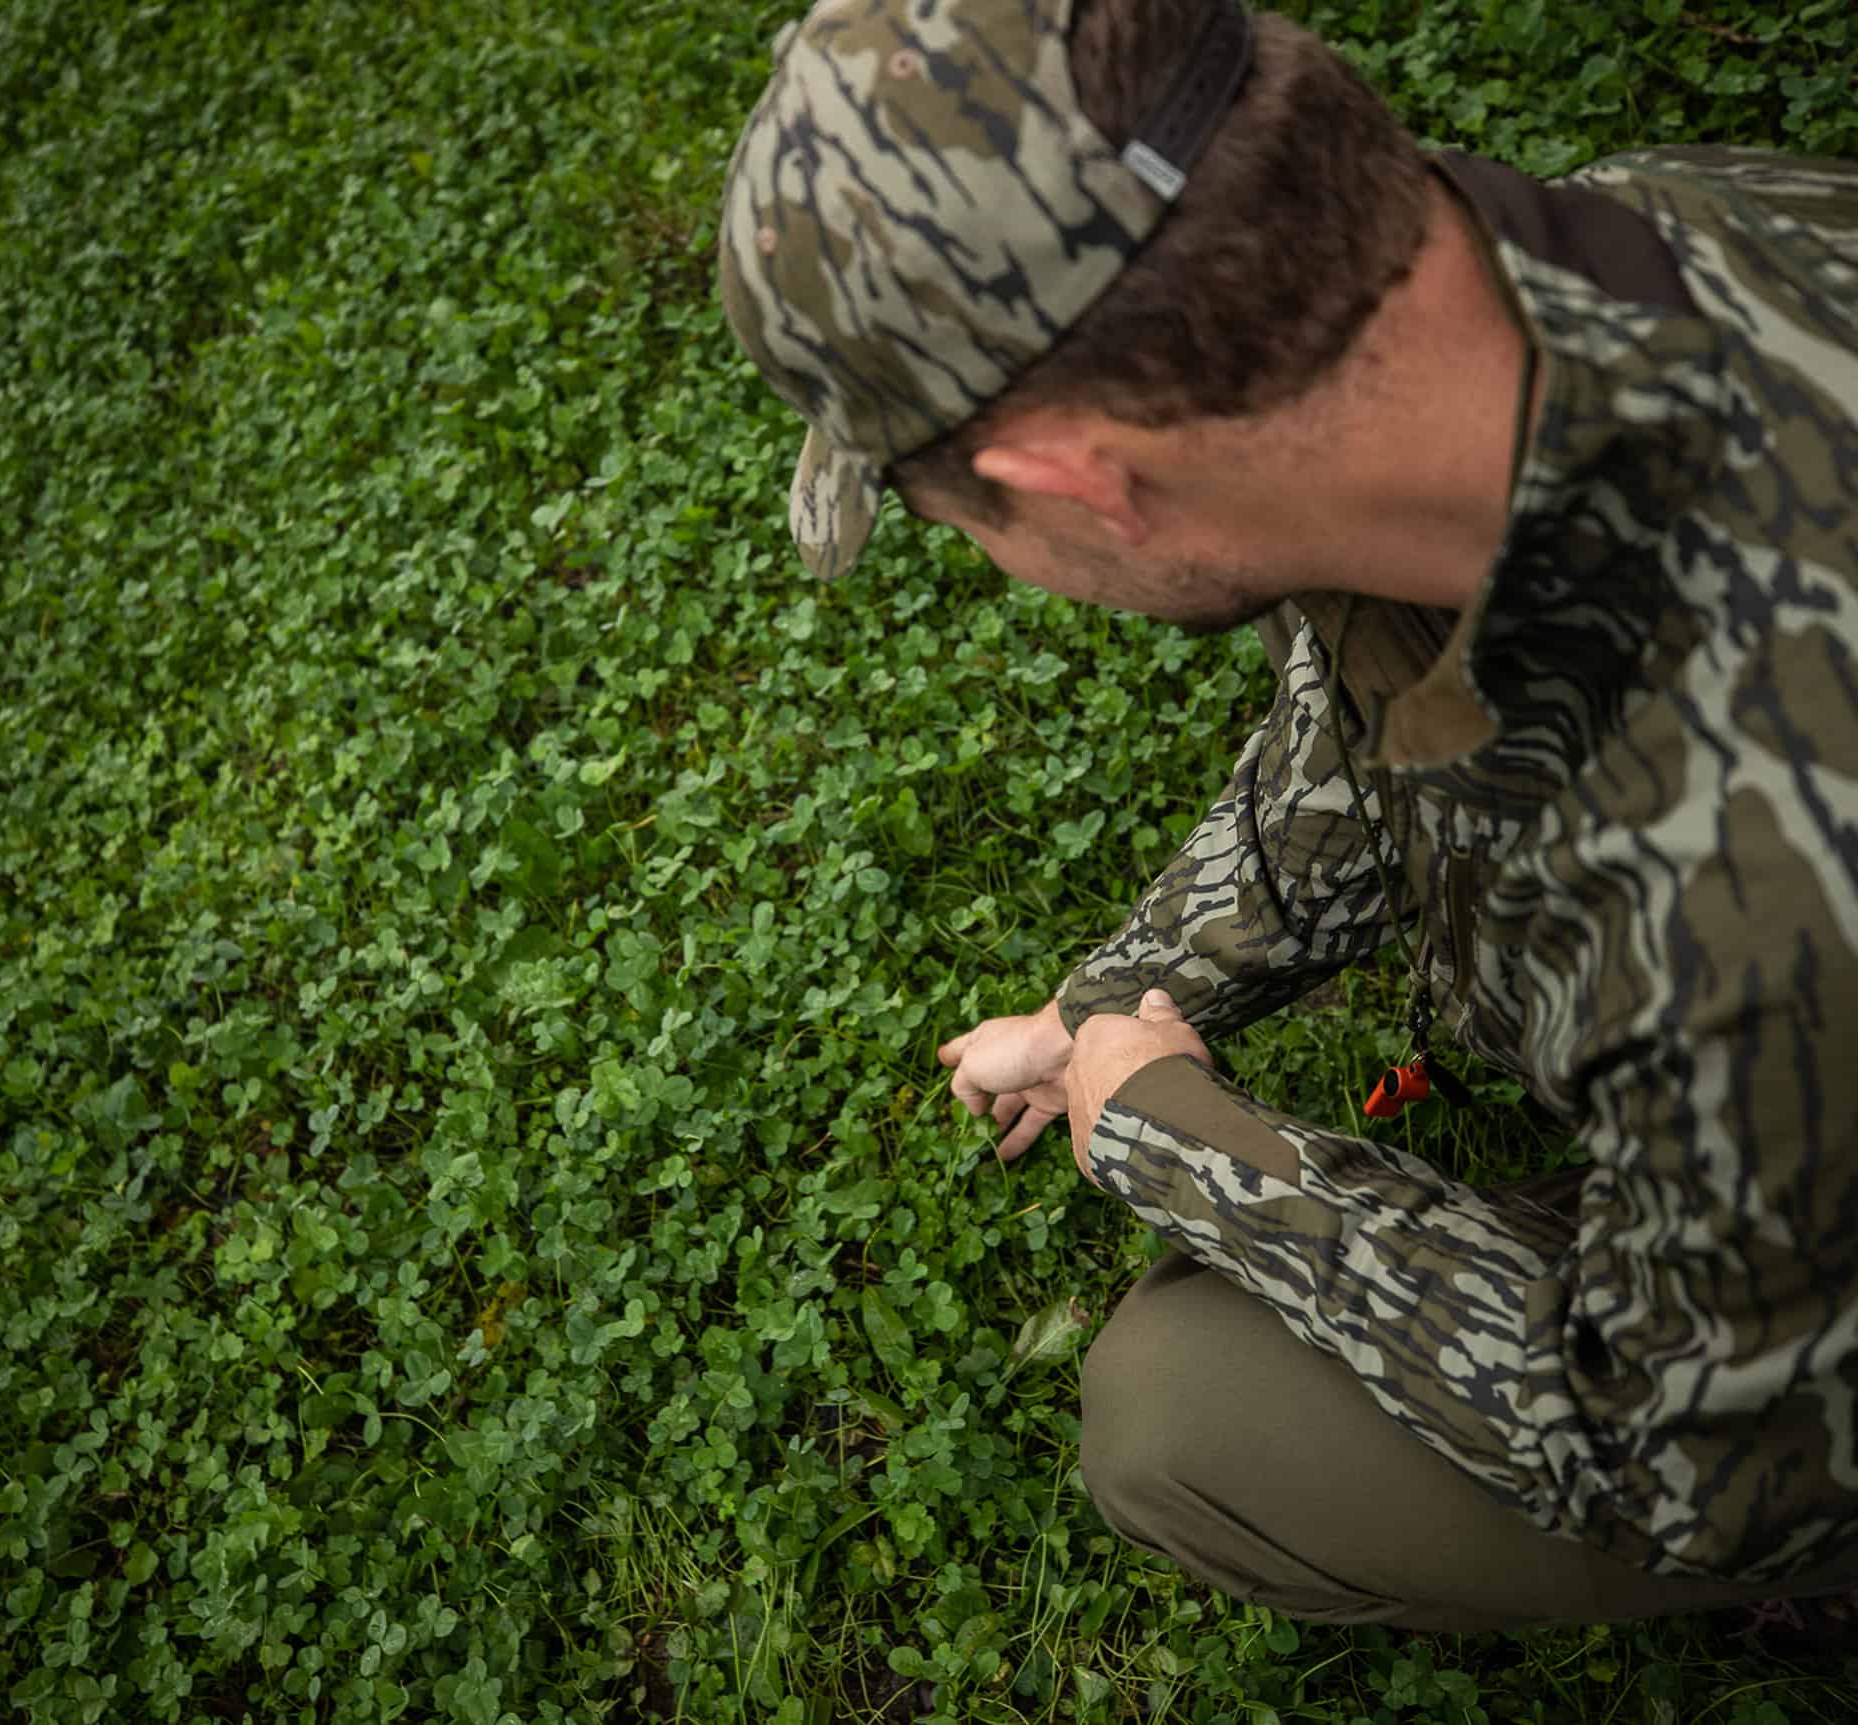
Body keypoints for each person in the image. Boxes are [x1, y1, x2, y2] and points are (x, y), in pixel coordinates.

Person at [716, 0, 1858, 1635]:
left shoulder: (1745, 910)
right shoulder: (1637, 240)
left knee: (1181, 1411)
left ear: (1079, 485)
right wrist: (1101, 1007)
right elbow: (1359, 715)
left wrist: (1185, 1137)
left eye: (957, 520)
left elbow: (1677, 1458)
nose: (989, 564)